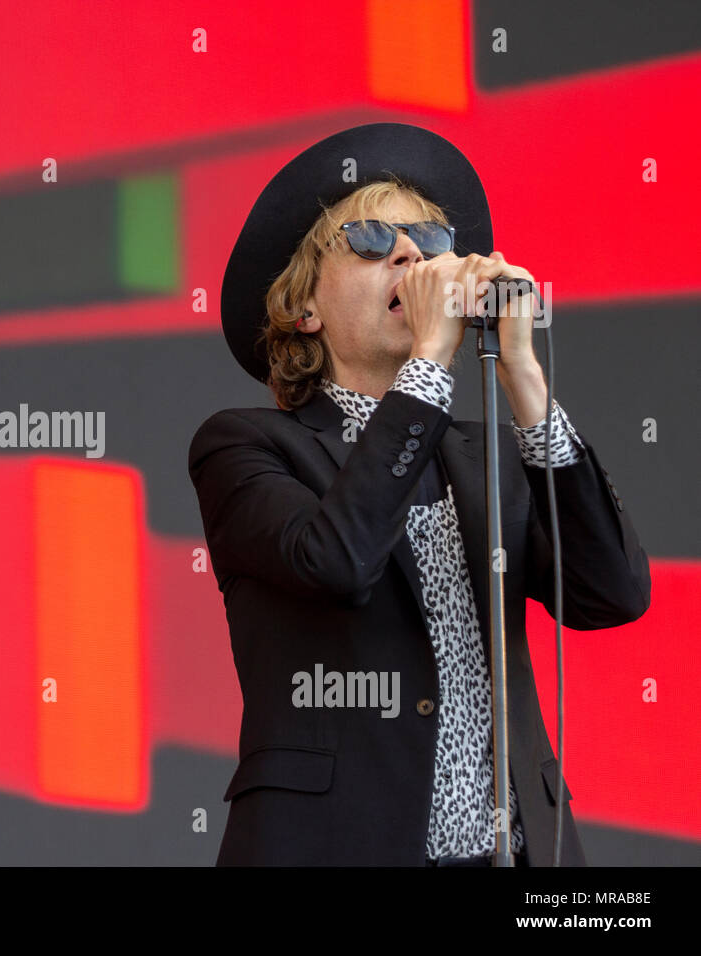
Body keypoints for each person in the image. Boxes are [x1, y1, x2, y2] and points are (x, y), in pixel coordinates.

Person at [188, 123, 651, 866]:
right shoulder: (244, 446)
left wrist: (525, 383)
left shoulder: (489, 452)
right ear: (303, 308)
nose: (412, 255)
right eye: (372, 238)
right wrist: (432, 359)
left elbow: (612, 592)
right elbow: (337, 561)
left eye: (431, 239)